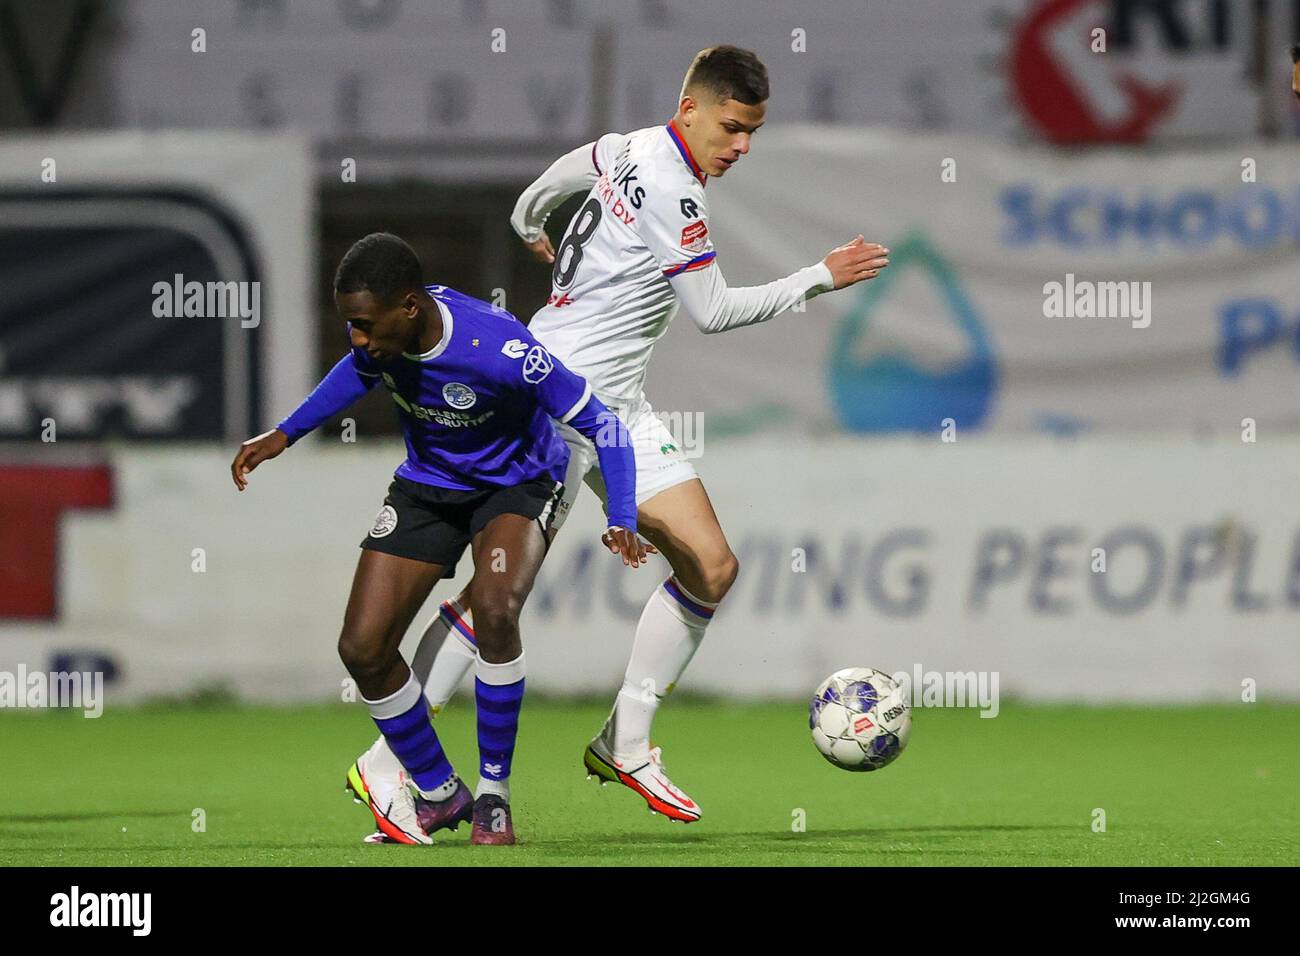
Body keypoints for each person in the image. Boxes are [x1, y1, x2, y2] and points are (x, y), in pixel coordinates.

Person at [349, 44, 889, 829]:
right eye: (733, 128)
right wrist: (819, 276)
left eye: (754, 133)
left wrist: (527, 216)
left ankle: (625, 741)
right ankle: (387, 765)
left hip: (619, 403)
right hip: (555, 402)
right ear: (692, 109)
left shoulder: (636, 144)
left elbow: (568, 169)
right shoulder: (676, 192)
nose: (742, 146)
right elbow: (714, 312)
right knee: (496, 602)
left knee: (711, 566)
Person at [231, 233, 649, 845]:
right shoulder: (380, 339)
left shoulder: (502, 349)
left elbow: (602, 424)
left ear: (410, 305)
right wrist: (284, 434)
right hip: (427, 488)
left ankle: (494, 797)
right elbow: (356, 372)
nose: (359, 339)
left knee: (495, 610)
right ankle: (437, 792)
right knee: (363, 648)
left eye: (367, 325)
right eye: (351, 325)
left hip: (517, 487)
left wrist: (624, 515)